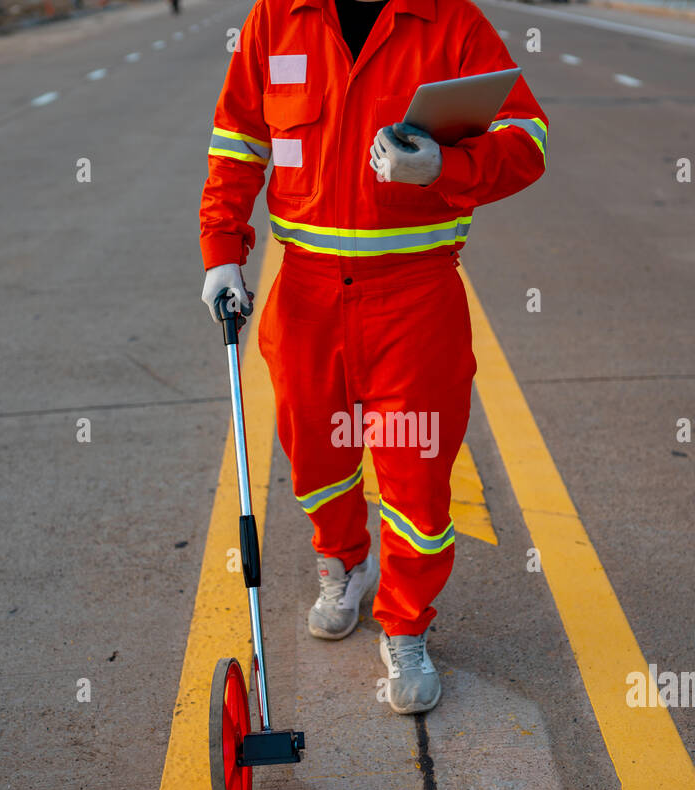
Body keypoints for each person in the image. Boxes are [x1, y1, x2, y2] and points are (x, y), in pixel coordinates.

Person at [199, 0, 547, 714]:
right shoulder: (276, 18)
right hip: (306, 295)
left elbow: (528, 140)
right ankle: (346, 564)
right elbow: (238, 143)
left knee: (416, 479)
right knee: (315, 456)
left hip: (414, 299)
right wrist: (222, 251)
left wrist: (445, 166)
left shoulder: (451, 23)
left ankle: (406, 626)